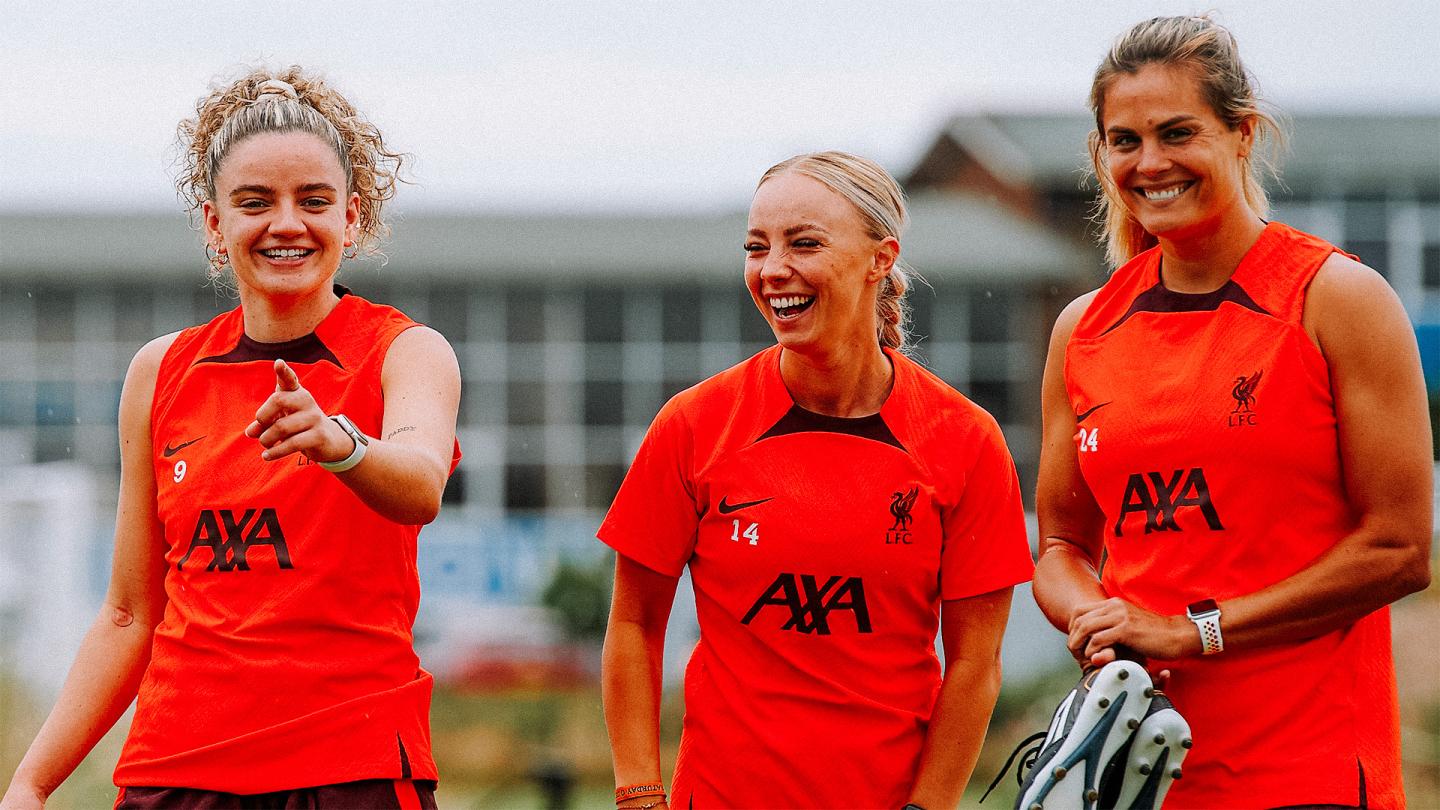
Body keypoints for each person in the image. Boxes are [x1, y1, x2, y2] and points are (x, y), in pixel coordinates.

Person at [0, 67, 461, 810]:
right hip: (174, 772)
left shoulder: (405, 351)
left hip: (353, 768)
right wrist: (30, 782)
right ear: (215, 224)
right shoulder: (161, 371)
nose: (286, 224)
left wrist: (339, 443)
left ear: (354, 215)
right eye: (254, 203)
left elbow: (420, 484)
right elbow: (128, 615)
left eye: (313, 201)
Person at [1033, 15, 1432, 809]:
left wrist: (1191, 631)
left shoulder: (1336, 298)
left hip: (1307, 771)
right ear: (1099, 154)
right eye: (1124, 140)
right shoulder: (1083, 328)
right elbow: (1058, 543)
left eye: (1177, 132)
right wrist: (1098, 622)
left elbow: (1398, 550)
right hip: (1139, 772)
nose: (1150, 163)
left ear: (1243, 134)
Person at [599, 151, 1034, 810]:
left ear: (880, 259)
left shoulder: (965, 440)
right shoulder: (694, 425)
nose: (774, 269)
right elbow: (633, 624)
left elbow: (976, 663)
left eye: (803, 243)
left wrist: (928, 805)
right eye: (756, 247)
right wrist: (637, 794)